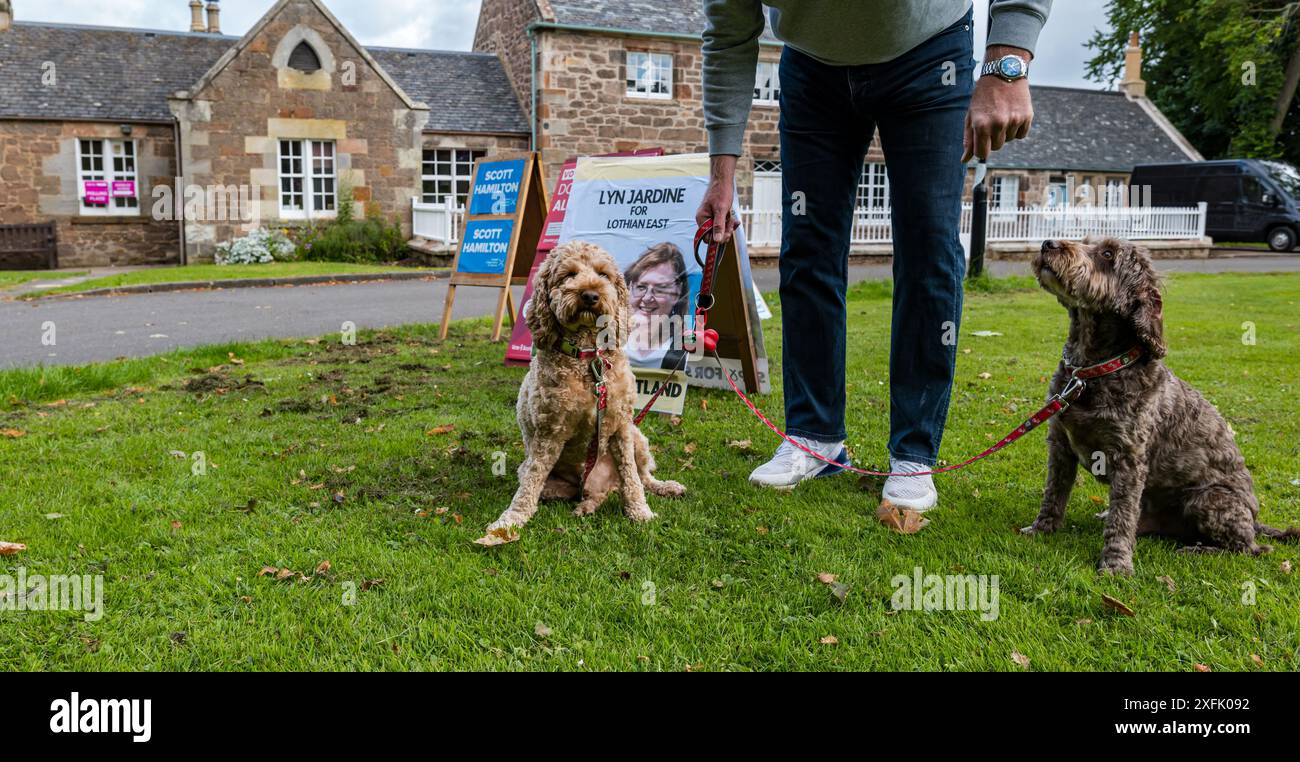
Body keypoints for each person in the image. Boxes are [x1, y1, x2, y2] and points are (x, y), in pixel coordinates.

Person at [698, 1, 1051, 511]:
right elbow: (730, 36)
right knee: (808, 249)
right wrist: (721, 173)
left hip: (930, 52)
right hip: (809, 65)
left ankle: (913, 453)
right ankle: (814, 436)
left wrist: (1008, 58)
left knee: (929, 248)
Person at [623, 242, 691, 369]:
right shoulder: (607, 339)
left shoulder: (684, 345)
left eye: (660, 289)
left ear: (677, 293)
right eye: (641, 287)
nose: (647, 298)